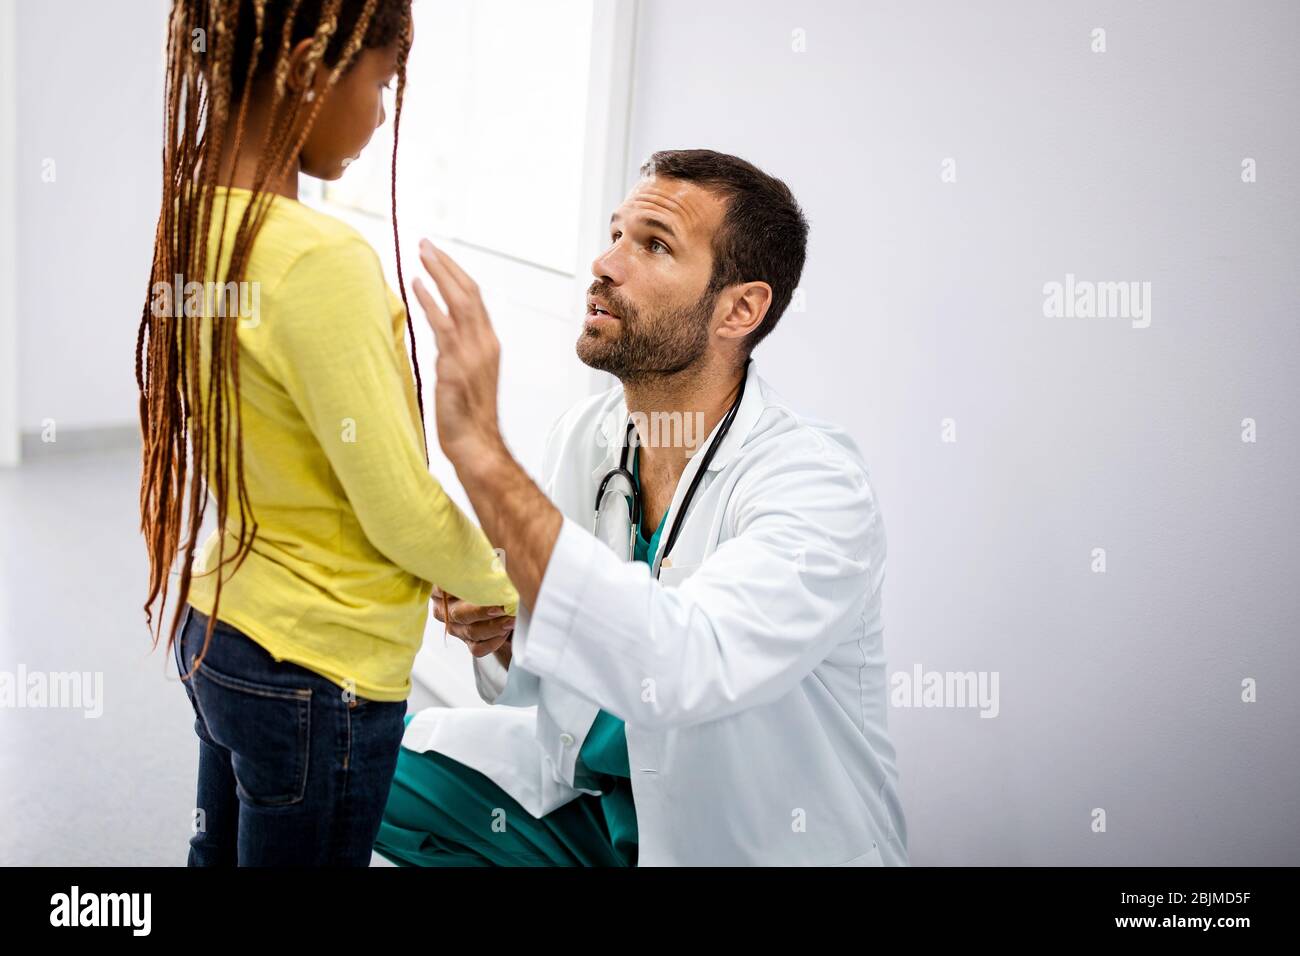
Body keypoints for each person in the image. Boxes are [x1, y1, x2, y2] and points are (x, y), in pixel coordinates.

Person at [376, 149, 906, 866]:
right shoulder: (591, 435)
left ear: (740, 309)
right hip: (604, 810)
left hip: (744, 845)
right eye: (616, 233)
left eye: (653, 245)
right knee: (359, 769)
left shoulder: (815, 485)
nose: (605, 263)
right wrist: (505, 630)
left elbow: (685, 665)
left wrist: (479, 449)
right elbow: (568, 675)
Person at [137, 0, 516, 866]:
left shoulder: (195, 222)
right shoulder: (319, 260)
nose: (383, 112)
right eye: (380, 80)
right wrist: (508, 586)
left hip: (226, 631)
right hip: (320, 675)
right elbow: (400, 511)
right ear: (309, 66)